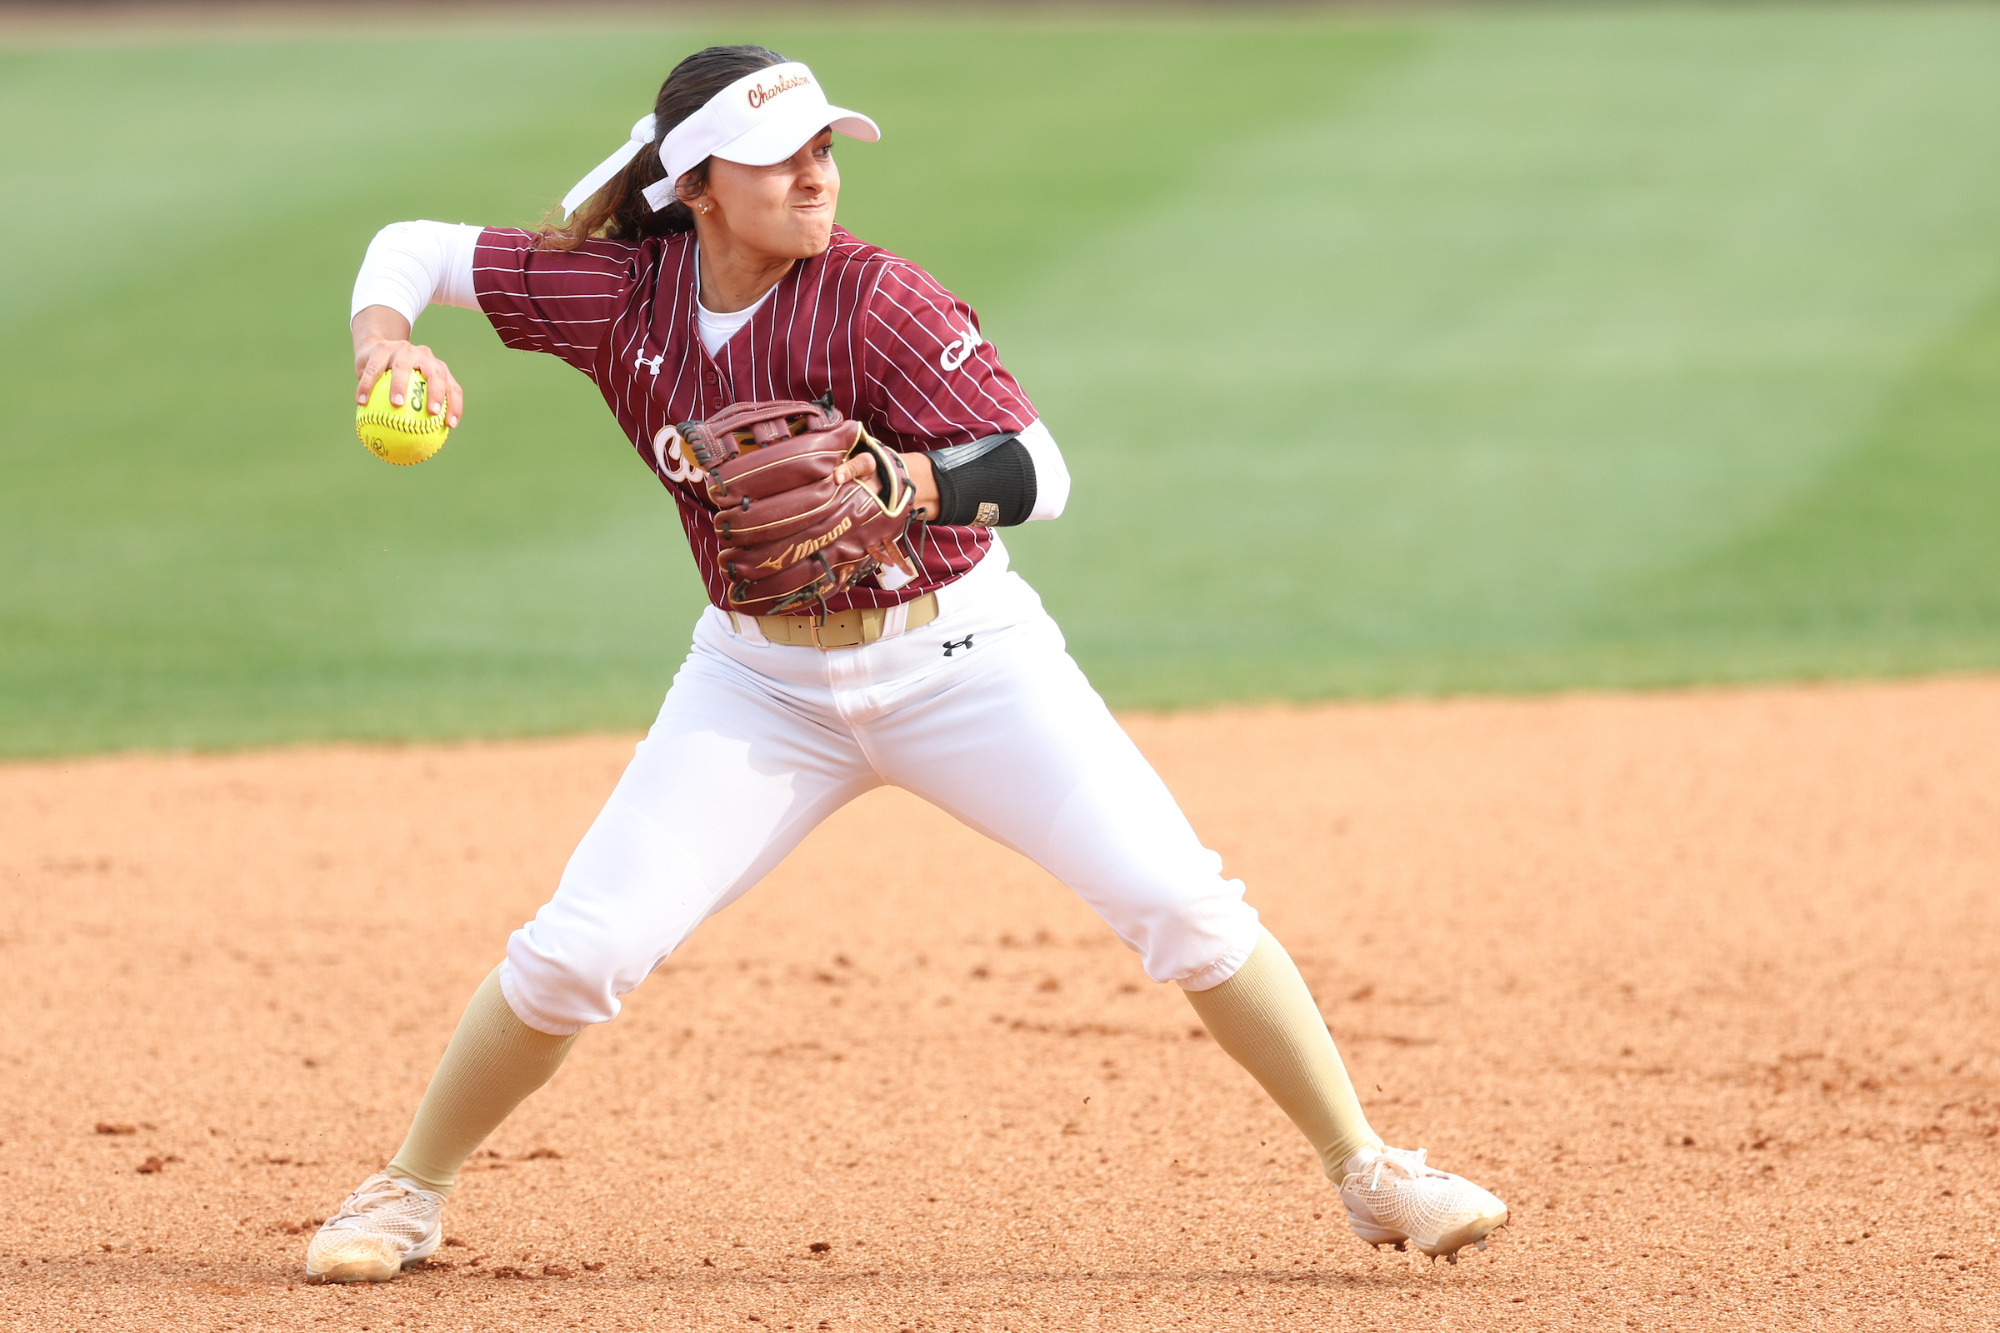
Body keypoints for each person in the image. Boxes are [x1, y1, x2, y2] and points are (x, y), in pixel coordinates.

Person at [308, 44, 1507, 1284]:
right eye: (780, 159)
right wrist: (382, 343)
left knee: (1180, 903)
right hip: (758, 685)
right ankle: (405, 1190)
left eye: (824, 148)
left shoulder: (878, 296)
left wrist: (908, 479)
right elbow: (412, 245)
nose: (816, 176)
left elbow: (1041, 473)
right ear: (700, 182)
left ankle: (1368, 1171)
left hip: (964, 662)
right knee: (578, 951)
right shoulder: (625, 296)